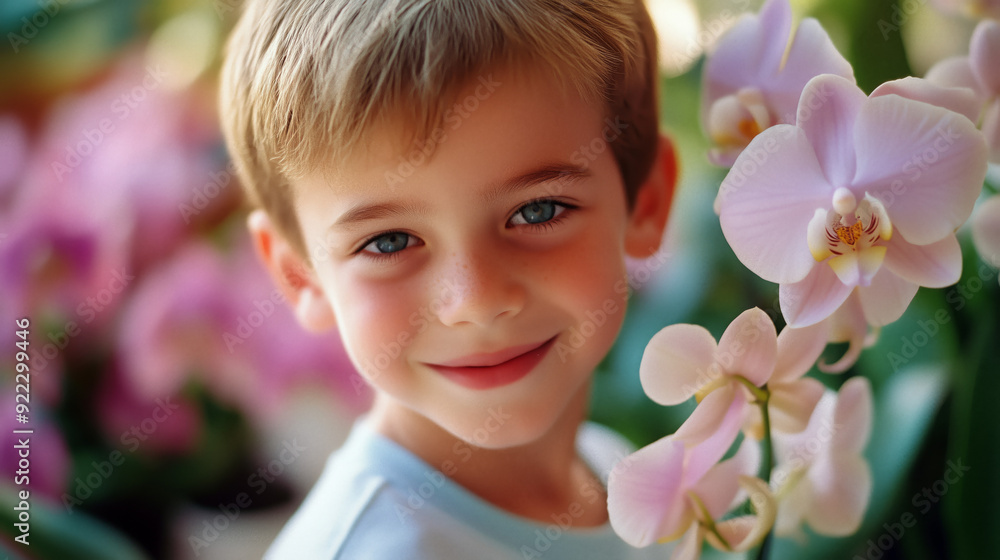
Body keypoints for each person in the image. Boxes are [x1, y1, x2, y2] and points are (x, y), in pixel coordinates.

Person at [219, 0, 677, 557]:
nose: (476, 301)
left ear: (645, 202)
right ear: (301, 276)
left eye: (537, 211)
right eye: (388, 242)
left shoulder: (612, 468)